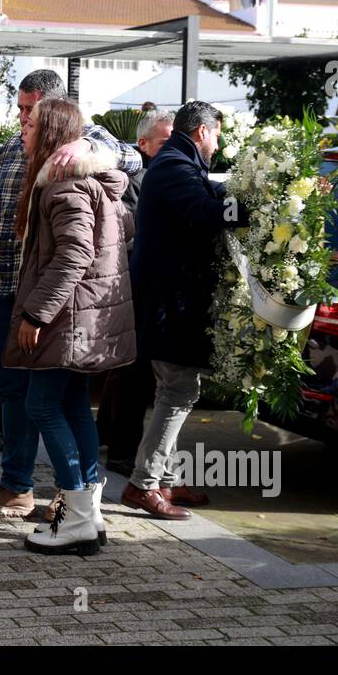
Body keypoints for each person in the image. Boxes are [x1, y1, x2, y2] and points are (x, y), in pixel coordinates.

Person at [0, 70, 141, 523]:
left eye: (30, 112)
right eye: (21, 109)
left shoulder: (82, 149)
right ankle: (20, 486)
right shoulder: (13, 150)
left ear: (54, 111)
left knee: (54, 401)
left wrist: (88, 147)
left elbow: (131, 158)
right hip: (6, 289)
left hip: (52, 303)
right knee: (14, 393)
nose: (22, 119)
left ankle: (76, 499)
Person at [1, 98, 134, 554]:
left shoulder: (66, 188)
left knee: (41, 407)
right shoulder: (82, 182)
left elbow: (74, 255)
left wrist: (37, 314)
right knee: (74, 406)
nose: (23, 127)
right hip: (79, 317)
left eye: (31, 122)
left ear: (53, 133)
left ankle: (76, 514)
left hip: (65, 318)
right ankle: (85, 513)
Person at [122, 101, 246, 521]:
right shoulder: (175, 164)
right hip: (168, 304)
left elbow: (212, 194)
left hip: (166, 301)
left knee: (169, 389)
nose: (219, 143)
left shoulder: (177, 161)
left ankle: (167, 479)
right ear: (202, 132)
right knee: (179, 389)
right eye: (217, 134)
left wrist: (250, 194)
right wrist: (255, 211)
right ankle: (144, 484)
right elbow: (207, 212)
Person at [97, 108, 174, 474]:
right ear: (142, 145)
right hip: (129, 287)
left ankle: (108, 435)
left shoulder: (167, 175)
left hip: (142, 288)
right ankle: (122, 452)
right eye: (165, 142)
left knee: (126, 371)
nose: (173, 148)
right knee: (133, 371)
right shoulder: (134, 180)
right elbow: (126, 235)